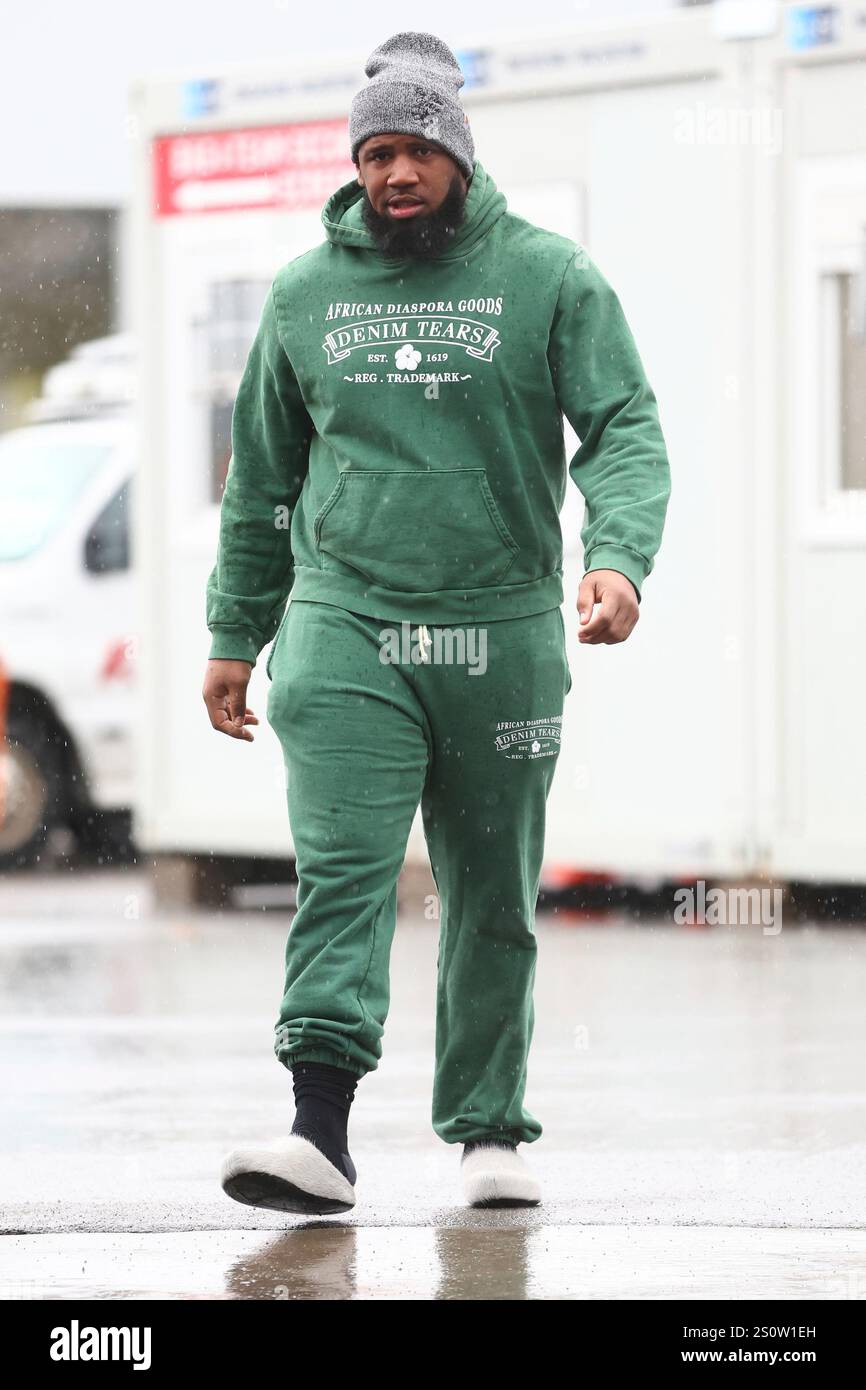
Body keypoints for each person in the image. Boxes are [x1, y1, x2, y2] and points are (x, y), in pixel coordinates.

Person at [203, 30, 671, 1216]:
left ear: (455, 153)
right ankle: (317, 1131)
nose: (393, 174)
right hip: (345, 623)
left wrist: (615, 559)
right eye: (374, 153)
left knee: (489, 892)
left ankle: (487, 1137)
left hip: (501, 629)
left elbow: (622, 427)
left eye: (414, 150)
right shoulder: (306, 295)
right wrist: (233, 630)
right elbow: (261, 476)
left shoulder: (548, 277)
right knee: (345, 876)